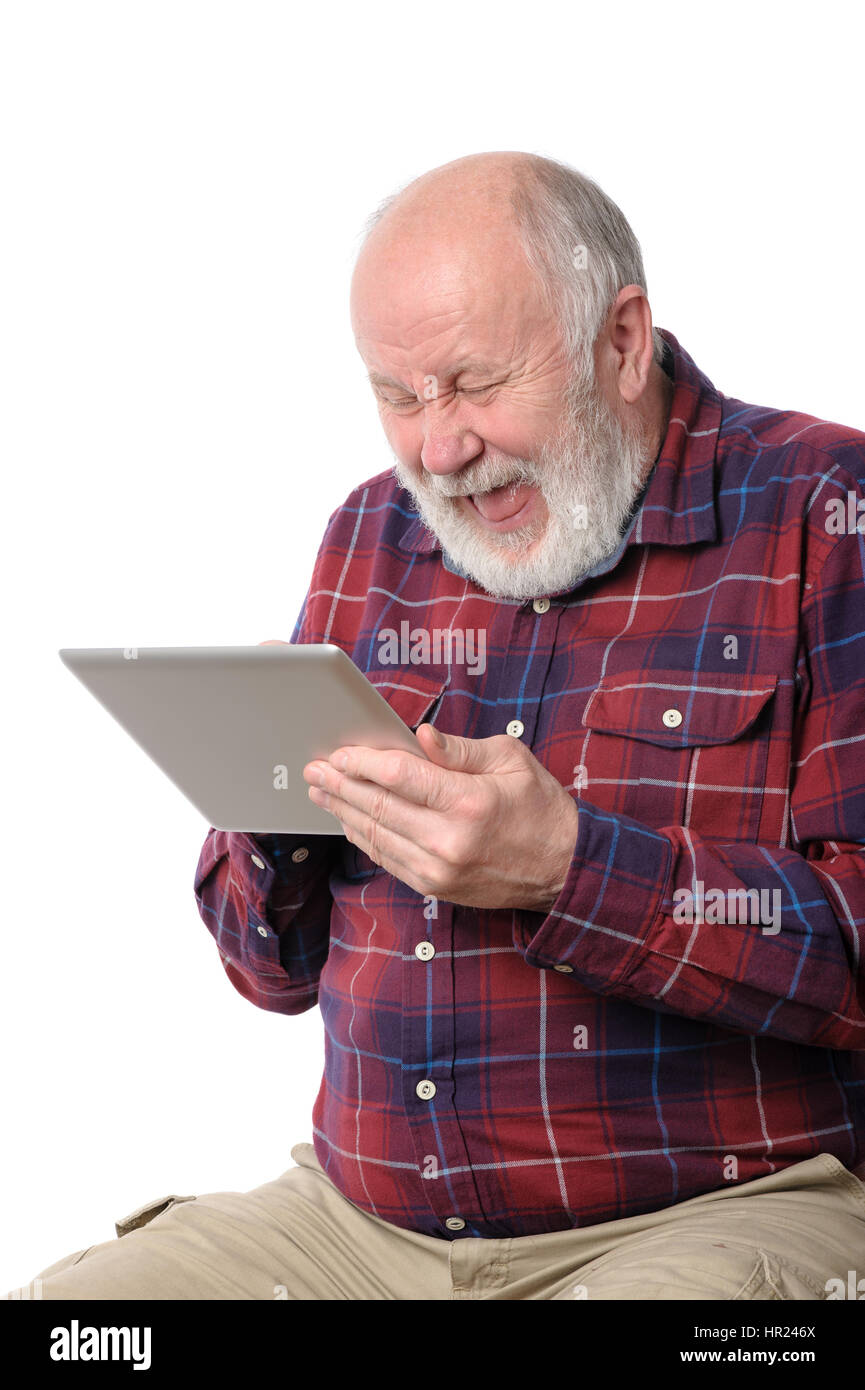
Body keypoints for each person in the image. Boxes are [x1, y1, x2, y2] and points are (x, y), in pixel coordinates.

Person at [10, 151, 865, 1301]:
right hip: (358, 1230)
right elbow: (269, 979)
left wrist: (566, 869)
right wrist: (271, 812)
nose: (439, 448)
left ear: (620, 340)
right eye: (399, 396)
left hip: (713, 1213)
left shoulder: (824, 514)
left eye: (473, 381)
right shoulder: (371, 536)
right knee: (82, 1323)